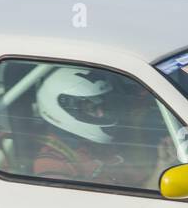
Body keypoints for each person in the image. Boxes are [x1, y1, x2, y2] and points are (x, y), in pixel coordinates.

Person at [31, 67, 176, 188]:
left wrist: (163, 165)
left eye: (103, 105)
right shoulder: (51, 164)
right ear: (62, 109)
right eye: (91, 108)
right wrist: (162, 169)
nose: (102, 113)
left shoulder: (98, 145)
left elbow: (137, 183)